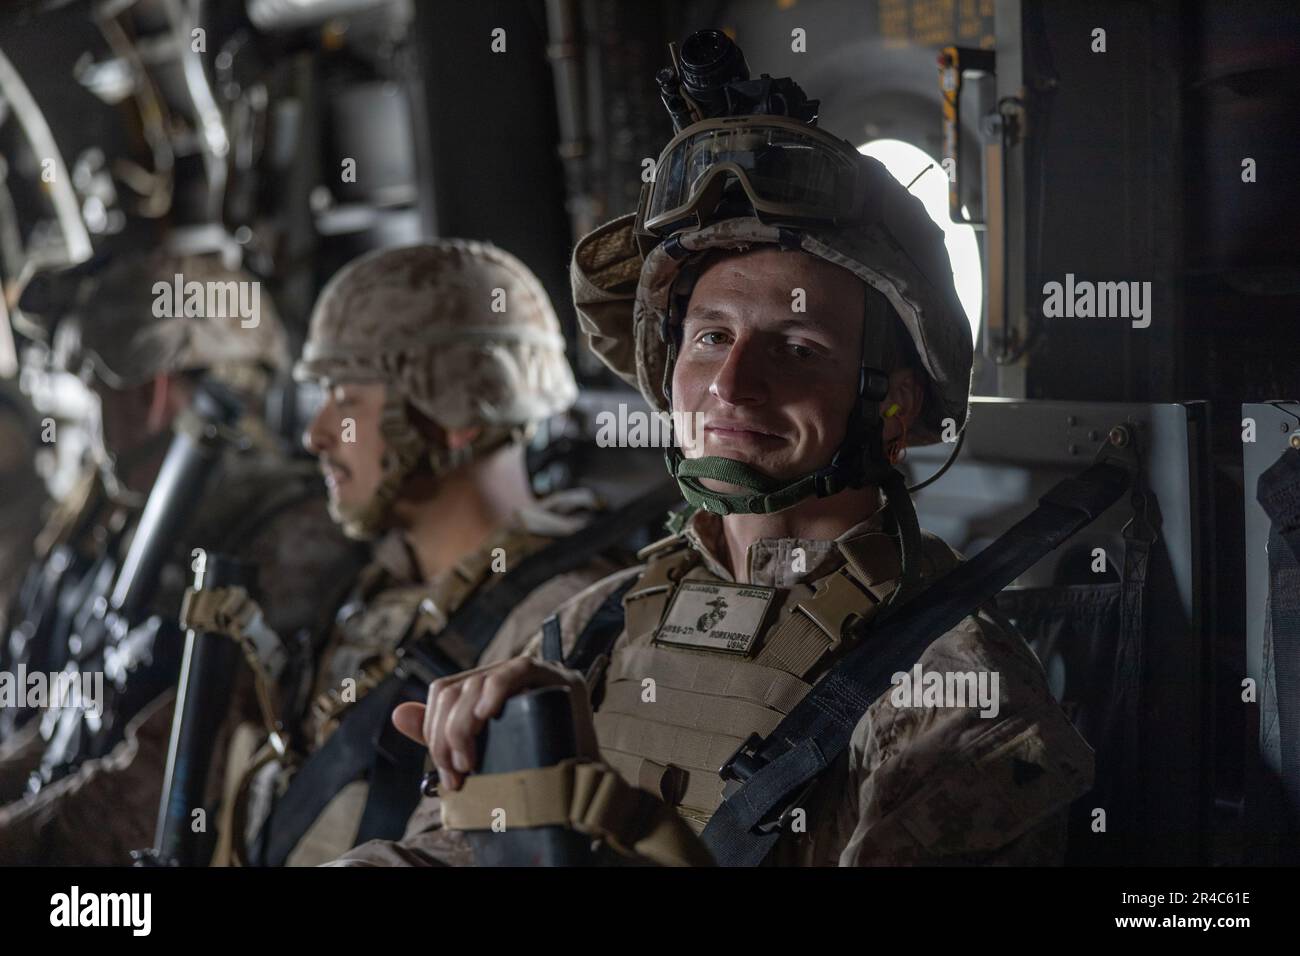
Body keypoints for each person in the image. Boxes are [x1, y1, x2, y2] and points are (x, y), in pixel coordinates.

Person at [333, 51, 1096, 866]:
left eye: (798, 347)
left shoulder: (954, 689)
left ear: (895, 407)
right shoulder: (586, 626)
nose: (734, 385)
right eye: (711, 338)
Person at [206, 240, 631, 866]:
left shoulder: (563, 622)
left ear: (452, 414)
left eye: (346, 398)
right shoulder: (372, 591)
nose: (316, 433)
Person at [0, 250, 359, 864]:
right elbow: (72, 718)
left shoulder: (280, 535)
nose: (95, 423)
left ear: (155, 392)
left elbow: (157, 788)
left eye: (100, 391)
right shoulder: (137, 522)